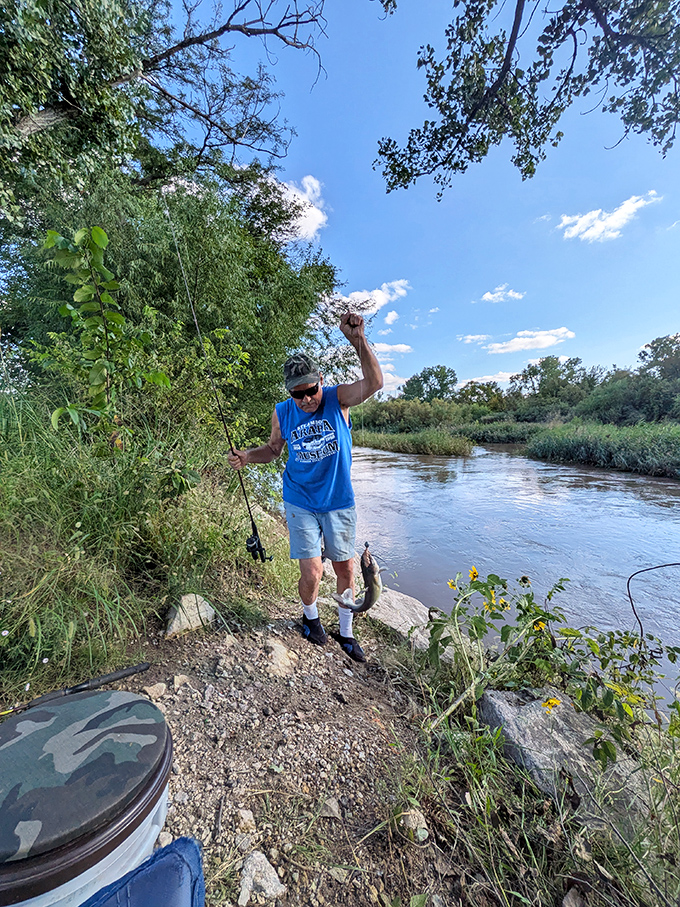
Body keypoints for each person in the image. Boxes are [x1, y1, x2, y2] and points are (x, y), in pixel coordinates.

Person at [227, 313, 383, 662]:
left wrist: (357, 339)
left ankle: (346, 633)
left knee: (345, 568)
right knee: (313, 570)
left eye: (311, 390)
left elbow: (374, 383)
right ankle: (310, 619)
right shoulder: (283, 412)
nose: (306, 399)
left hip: (338, 500)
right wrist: (247, 457)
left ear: (320, 381)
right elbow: (273, 450)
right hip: (300, 498)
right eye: (297, 394)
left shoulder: (337, 399)